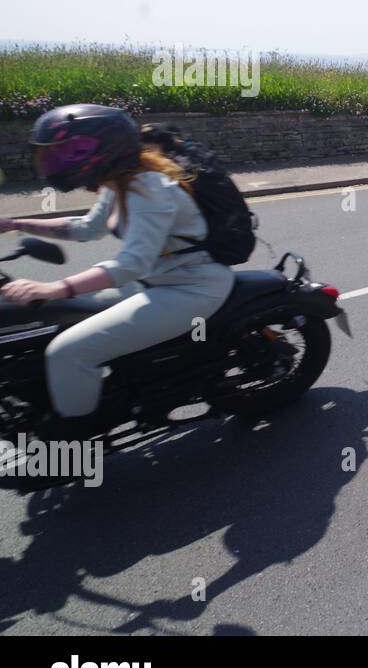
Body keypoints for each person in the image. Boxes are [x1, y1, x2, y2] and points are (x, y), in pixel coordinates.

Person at [0, 105, 235, 434]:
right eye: (52, 154)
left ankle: (75, 437)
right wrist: (15, 224)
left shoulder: (150, 188)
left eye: (70, 151)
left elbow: (131, 263)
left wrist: (55, 288)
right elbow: (85, 228)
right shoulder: (121, 181)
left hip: (188, 290)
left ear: (106, 148)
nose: (57, 161)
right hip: (152, 282)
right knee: (60, 319)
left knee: (67, 352)